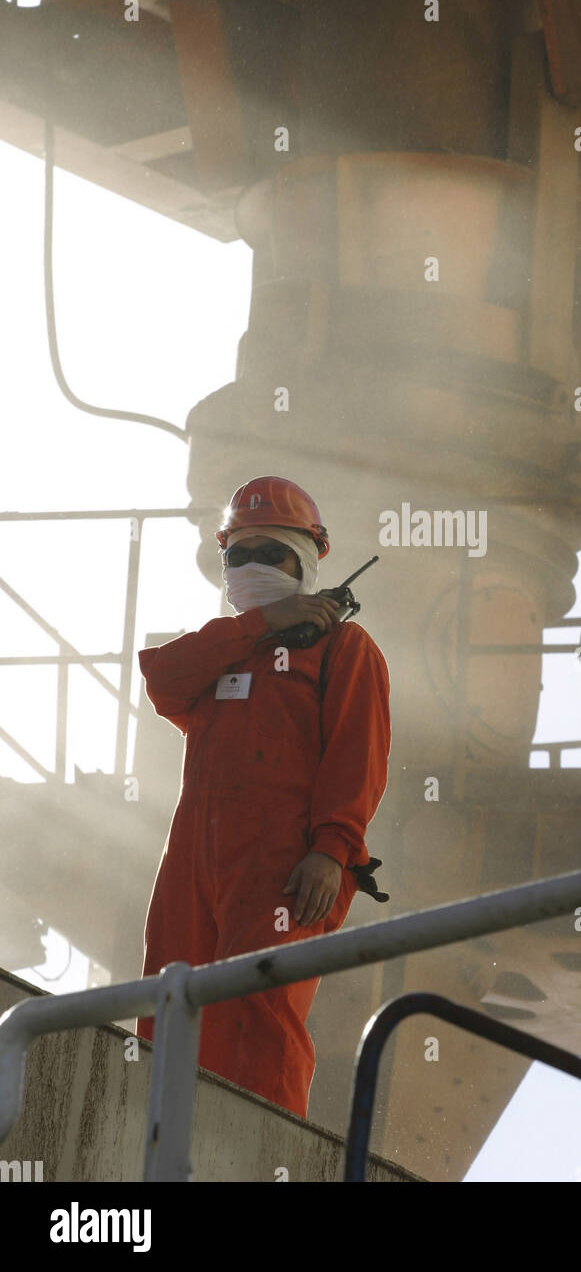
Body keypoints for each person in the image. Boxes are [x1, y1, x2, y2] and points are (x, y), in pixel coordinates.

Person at [135, 476, 390, 1119]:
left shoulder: (345, 648)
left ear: (304, 563)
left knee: (261, 1010)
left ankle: (263, 1157)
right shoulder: (224, 649)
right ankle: (159, 1150)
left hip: (285, 863)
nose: (250, 567)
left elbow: (358, 757)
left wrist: (333, 851)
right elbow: (161, 679)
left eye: (268, 553)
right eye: (236, 555)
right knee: (169, 1001)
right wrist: (261, 624)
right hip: (194, 856)